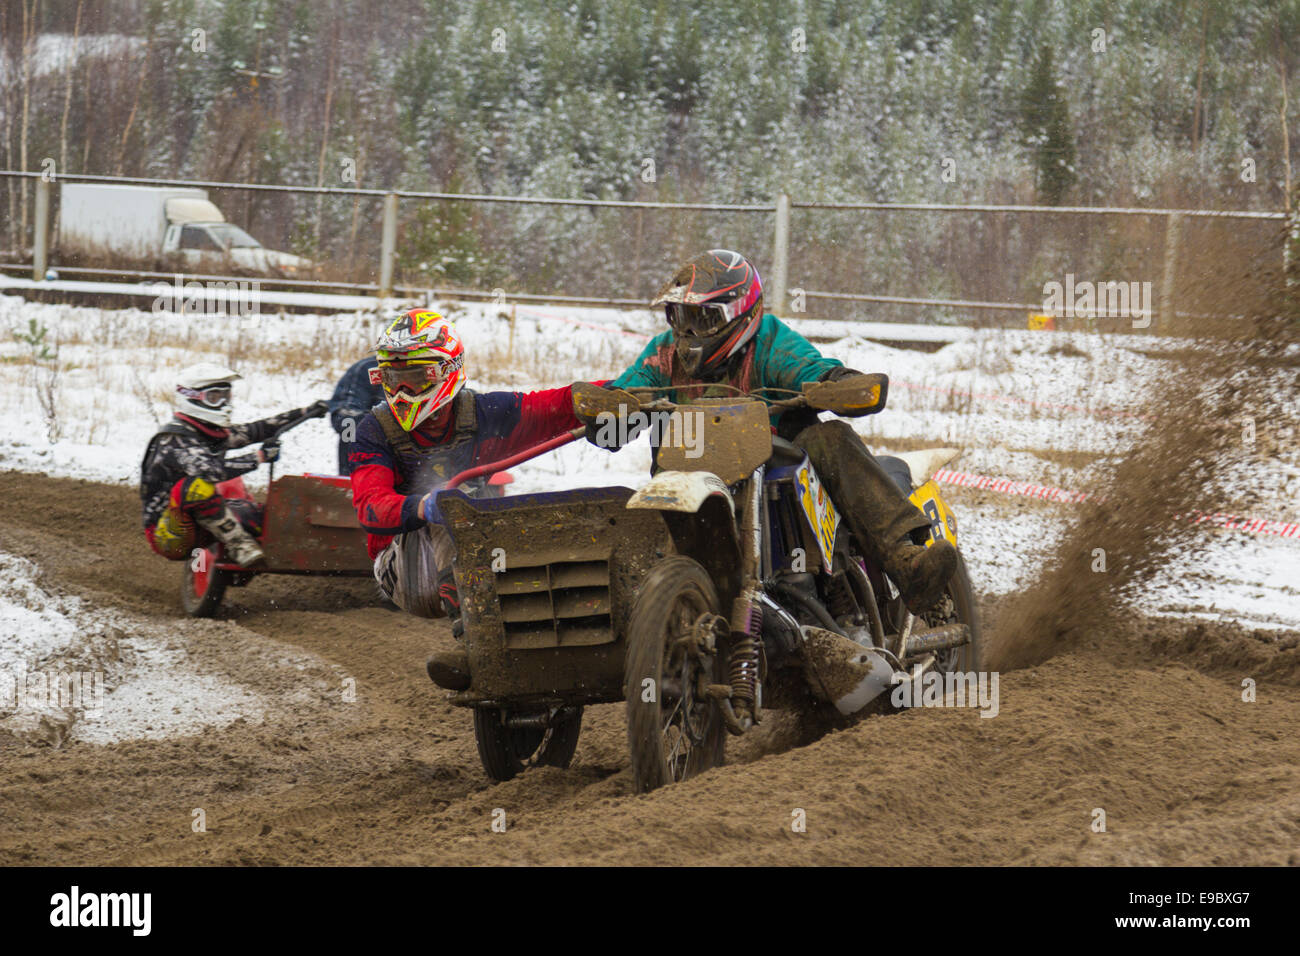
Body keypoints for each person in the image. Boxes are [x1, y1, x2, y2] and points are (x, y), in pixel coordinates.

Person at [575, 248, 957, 615]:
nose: (689, 331)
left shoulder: (770, 342)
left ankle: (905, 561)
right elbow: (632, 389)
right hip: (691, 490)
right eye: (679, 316)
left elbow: (807, 366)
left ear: (741, 315)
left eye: (703, 319)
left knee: (828, 437)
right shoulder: (664, 354)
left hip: (779, 481)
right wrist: (611, 410)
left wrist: (834, 382)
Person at [346, 308, 593, 689]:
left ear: (446, 370)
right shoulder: (374, 430)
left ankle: (549, 633)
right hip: (402, 568)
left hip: (472, 548)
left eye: (414, 377)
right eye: (392, 379)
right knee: (454, 507)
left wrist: (600, 399)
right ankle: (472, 644)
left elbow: (548, 407)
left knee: (534, 519)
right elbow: (369, 507)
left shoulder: (483, 412)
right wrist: (421, 506)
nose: (402, 391)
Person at [140, 362, 327, 568]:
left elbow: (256, 430)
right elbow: (211, 471)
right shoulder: (172, 440)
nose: (223, 403)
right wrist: (260, 457)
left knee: (254, 511)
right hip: (168, 534)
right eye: (214, 397)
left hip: (198, 523)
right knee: (196, 487)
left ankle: (303, 551)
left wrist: (303, 412)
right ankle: (240, 545)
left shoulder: (208, 431)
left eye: (226, 396)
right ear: (191, 398)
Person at [326, 355, 384, 475]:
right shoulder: (368, 369)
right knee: (351, 425)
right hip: (375, 466)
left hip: (427, 471)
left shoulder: (432, 367)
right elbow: (344, 418)